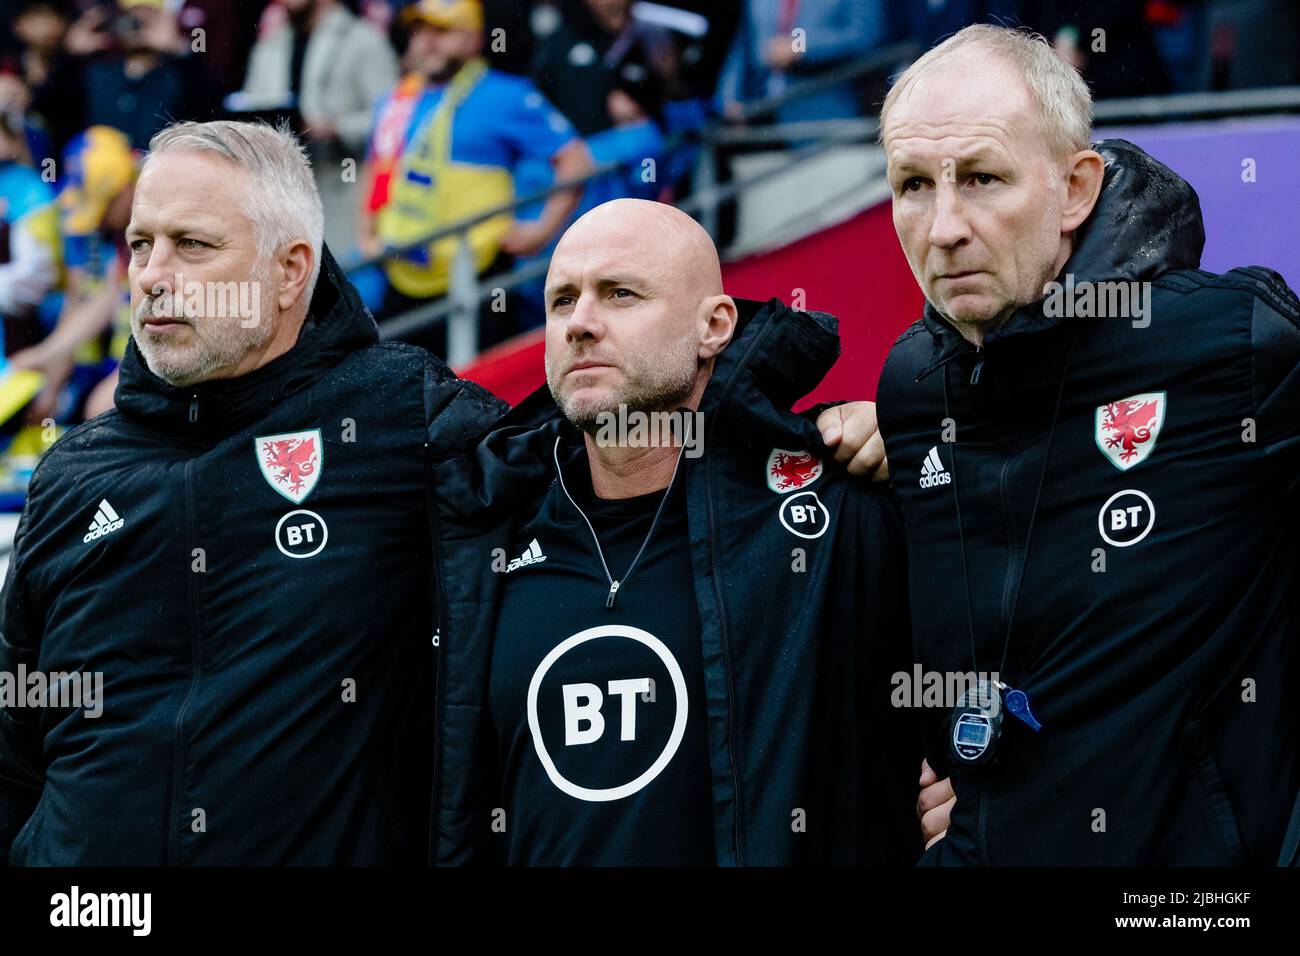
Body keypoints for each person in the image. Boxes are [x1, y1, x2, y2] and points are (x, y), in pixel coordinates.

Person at [0, 119, 506, 865]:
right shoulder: (72, 474)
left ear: (290, 269)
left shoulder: (404, 418)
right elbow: (17, 746)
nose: (153, 275)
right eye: (142, 244)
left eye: (193, 245)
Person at [874, 24, 1300, 865]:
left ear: (1076, 188)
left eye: (983, 179)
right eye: (913, 184)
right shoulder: (911, 386)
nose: (944, 225)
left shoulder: (1234, 346)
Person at [429, 199, 919, 865]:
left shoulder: (838, 507)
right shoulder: (482, 536)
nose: (580, 324)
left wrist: (980, 788)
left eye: (620, 294)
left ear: (714, 325)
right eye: (562, 300)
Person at [358, 0, 593, 350]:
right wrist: (366, 236)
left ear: (474, 39)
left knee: (475, 391)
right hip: (401, 274)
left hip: (479, 276)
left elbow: (576, 162)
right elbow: (374, 167)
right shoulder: (395, 100)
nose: (429, 40)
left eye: (444, 30)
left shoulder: (506, 94)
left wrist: (542, 231)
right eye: (422, 30)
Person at [240, 0, 399, 257]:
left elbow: (393, 117)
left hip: (344, 191)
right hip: (281, 193)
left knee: (340, 281)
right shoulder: (270, 44)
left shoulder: (364, 40)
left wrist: (336, 127)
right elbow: (252, 102)